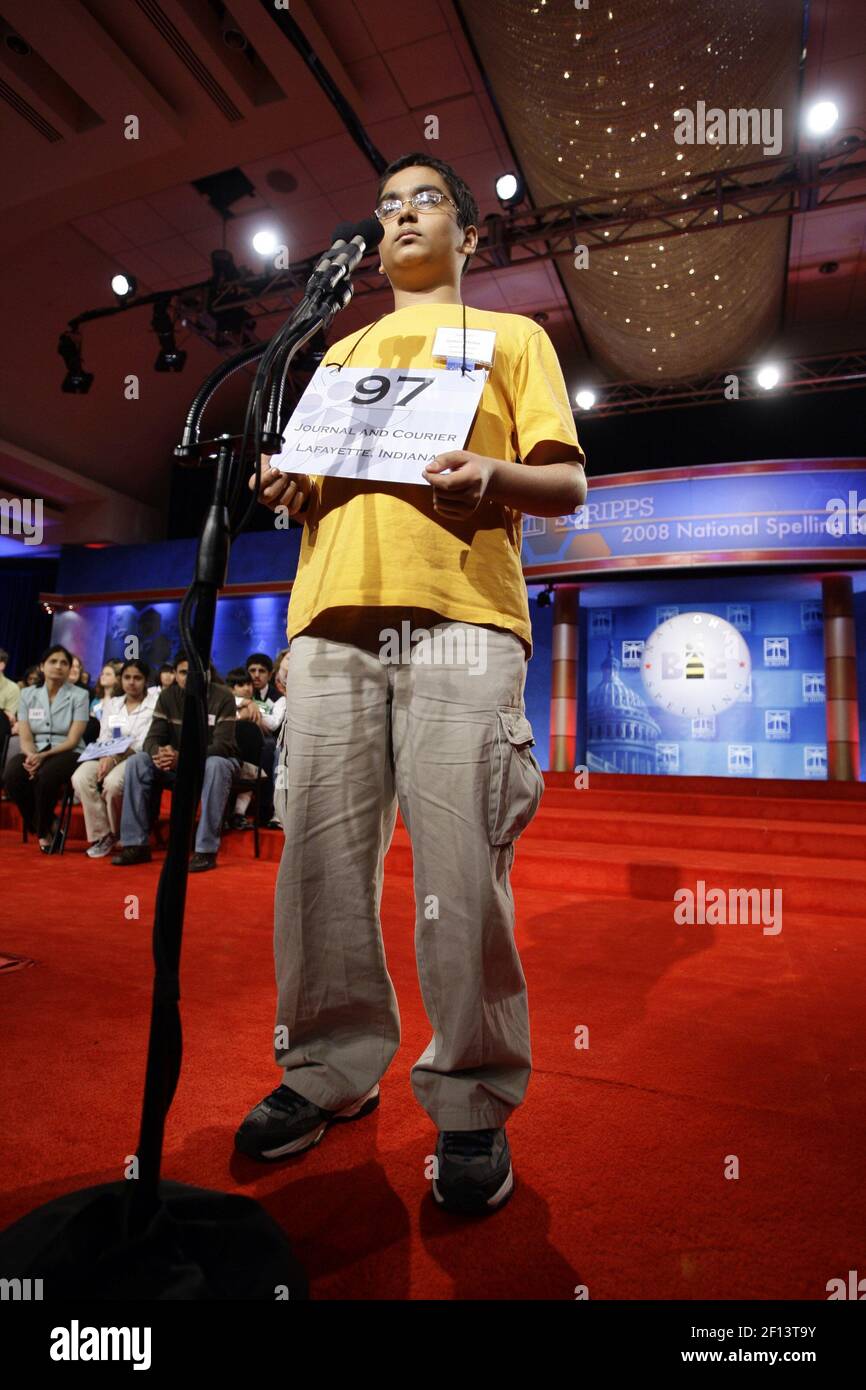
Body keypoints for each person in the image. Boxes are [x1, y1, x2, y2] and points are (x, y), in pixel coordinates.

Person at [234, 153, 587, 1215]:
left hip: (463, 620)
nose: (399, 216)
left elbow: (566, 481)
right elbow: (307, 489)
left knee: (460, 869)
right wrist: (284, 484)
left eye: (424, 199)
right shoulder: (338, 352)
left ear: (469, 235)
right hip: (330, 623)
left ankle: (472, 1098)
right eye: (386, 205)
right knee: (318, 867)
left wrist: (494, 476)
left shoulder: (512, 338)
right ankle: (327, 1069)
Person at [111, 652, 238, 872]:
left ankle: (205, 851)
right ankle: (136, 845)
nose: (189, 677)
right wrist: (160, 753)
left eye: (195, 672)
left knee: (216, 765)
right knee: (138, 762)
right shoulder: (168, 696)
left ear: (207, 674)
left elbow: (223, 746)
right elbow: (152, 739)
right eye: (183, 672)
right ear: (176, 674)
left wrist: (182, 757)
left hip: (213, 761)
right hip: (175, 762)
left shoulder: (223, 696)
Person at [4, 644, 90, 850]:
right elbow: (25, 735)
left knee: (46, 776)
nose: (58, 666)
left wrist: (43, 757)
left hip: (68, 751)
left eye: (64, 663)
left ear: (69, 669)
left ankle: (42, 832)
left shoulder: (80, 695)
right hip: (35, 749)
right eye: (53, 661)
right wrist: (31, 755)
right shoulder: (28, 694)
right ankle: (48, 823)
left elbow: (73, 739)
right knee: (12, 774)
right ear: (42, 666)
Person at [72, 659, 157, 859]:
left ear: (146, 681)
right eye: (127, 677)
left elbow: (143, 742)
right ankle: (103, 834)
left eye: (137, 678)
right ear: (121, 679)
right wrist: (106, 756)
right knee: (81, 776)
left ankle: (120, 831)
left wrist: (115, 757)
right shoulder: (113, 704)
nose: (131, 682)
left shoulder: (154, 705)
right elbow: (104, 736)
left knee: (113, 784)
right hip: (109, 754)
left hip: (135, 758)